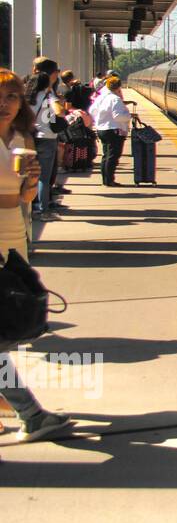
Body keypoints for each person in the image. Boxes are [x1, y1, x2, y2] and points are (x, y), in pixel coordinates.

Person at [0, 67, 73, 442]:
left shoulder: (21, 137)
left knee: (7, 326)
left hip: (13, 237)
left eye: (12, 96)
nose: (5, 104)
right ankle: (31, 414)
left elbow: (26, 200)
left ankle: (22, 411)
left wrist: (29, 182)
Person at [27, 72, 63, 221]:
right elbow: (59, 112)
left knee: (29, 175)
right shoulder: (49, 97)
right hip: (47, 138)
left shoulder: (27, 98)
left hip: (30, 138)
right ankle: (43, 211)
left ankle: (30, 207)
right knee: (44, 178)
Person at [90, 76, 131, 186]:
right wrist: (129, 116)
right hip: (113, 130)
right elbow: (117, 116)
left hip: (102, 129)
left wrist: (99, 120)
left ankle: (106, 180)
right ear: (118, 87)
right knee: (113, 155)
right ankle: (110, 180)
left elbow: (92, 110)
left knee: (106, 155)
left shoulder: (102, 97)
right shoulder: (115, 99)